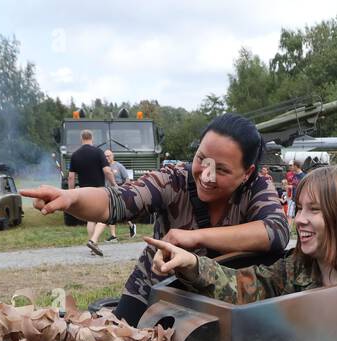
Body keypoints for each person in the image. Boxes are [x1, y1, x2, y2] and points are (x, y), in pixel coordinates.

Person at [23, 113, 290, 324]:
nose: (206, 176)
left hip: (229, 294)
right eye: (201, 160)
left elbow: (276, 232)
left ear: (247, 173)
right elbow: (117, 201)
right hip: (159, 288)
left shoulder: (257, 187)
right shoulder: (173, 180)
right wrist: (71, 197)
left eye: (221, 169)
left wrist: (193, 236)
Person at [143, 164, 337, 303]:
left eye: (314, 210)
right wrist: (191, 263)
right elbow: (242, 287)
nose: (299, 219)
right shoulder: (296, 269)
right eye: (299, 209)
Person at [67, 129, 116, 256]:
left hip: (84, 192)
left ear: (81, 139)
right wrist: (114, 185)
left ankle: (93, 247)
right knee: (107, 215)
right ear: (92, 138)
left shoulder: (75, 155)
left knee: (90, 218)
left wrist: (71, 193)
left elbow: (71, 177)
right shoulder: (98, 152)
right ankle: (93, 240)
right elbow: (107, 171)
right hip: (99, 190)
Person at [103, 148, 135, 242]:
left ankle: (132, 225)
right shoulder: (104, 167)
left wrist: (123, 189)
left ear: (113, 156)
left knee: (121, 212)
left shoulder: (119, 166)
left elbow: (127, 179)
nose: (107, 157)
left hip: (118, 192)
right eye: (105, 156)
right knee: (112, 213)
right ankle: (113, 236)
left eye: (108, 156)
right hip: (108, 192)